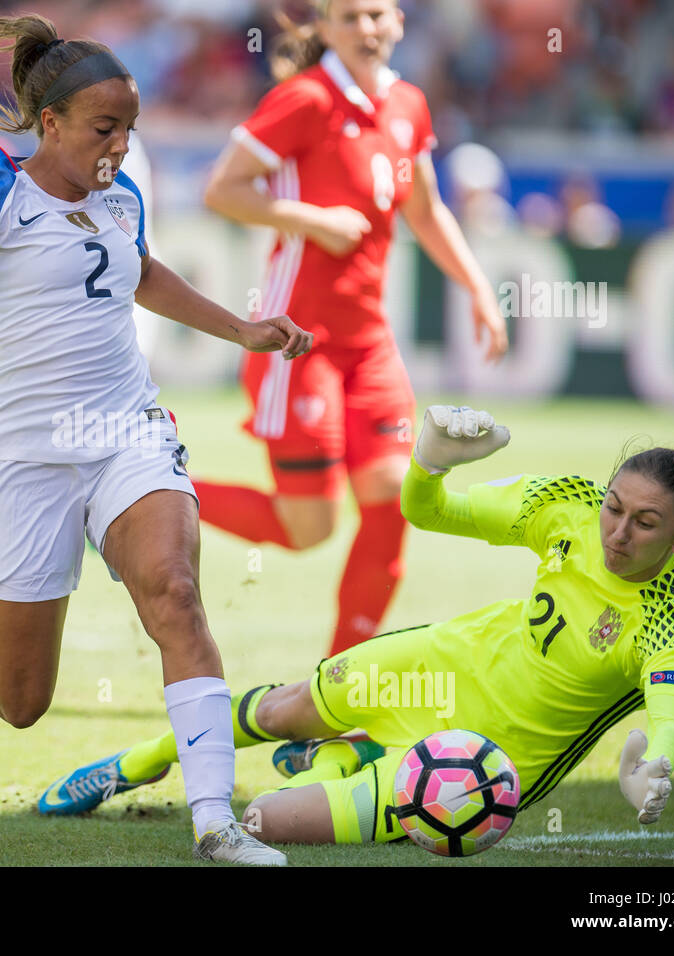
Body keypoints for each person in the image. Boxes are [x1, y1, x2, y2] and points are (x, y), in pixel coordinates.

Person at [0, 14, 314, 865]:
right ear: (51, 124)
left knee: (174, 593)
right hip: (23, 455)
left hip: (125, 430)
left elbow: (140, 272)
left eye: (130, 129)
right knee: (22, 700)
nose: (119, 145)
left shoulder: (120, 196)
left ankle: (216, 821)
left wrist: (243, 331)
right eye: (106, 128)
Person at [40, 405, 674, 849]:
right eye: (614, 509)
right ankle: (136, 764)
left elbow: (671, 705)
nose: (617, 532)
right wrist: (429, 464)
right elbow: (429, 513)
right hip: (443, 665)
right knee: (283, 710)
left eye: (646, 524)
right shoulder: (568, 504)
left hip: (478, 764)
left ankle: (345, 757)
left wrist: (658, 760)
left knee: (263, 822)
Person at [194, 0, 509, 656]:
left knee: (395, 504)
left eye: (376, 15)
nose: (366, 29)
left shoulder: (409, 106)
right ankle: (133, 496)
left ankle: (336, 687)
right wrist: (313, 219)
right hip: (296, 343)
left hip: (370, 346)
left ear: (398, 21)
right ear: (326, 29)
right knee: (308, 528)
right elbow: (222, 189)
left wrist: (479, 288)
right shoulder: (304, 100)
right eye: (349, 17)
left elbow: (425, 209)